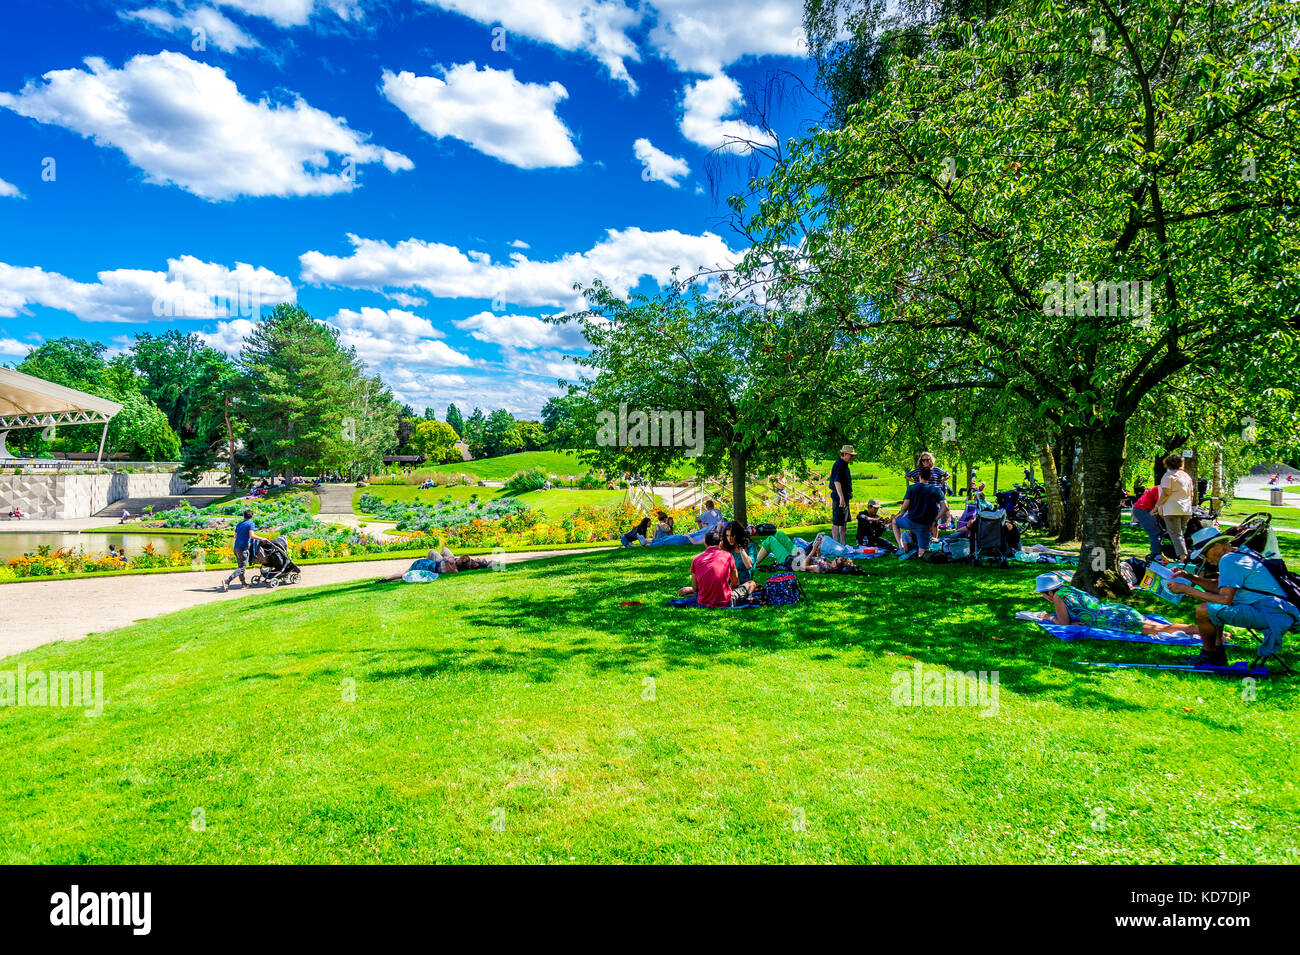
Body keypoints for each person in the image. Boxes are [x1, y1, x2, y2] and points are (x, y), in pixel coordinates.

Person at [1167, 530, 1300, 666]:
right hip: (1280, 609)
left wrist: (1186, 589)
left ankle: (1210, 655)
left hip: (1273, 613)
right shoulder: (1240, 553)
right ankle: (1217, 654)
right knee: (1211, 604)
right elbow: (1219, 586)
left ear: (1218, 546)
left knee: (1204, 610)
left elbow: (1225, 599)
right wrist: (1189, 577)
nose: (1205, 559)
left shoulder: (1228, 560)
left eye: (1203, 554)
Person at [1031, 573, 1195, 637]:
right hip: (1117, 610)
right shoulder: (1067, 589)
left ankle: (1201, 630)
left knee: (1163, 629)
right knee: (1162, 626)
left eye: (1043, 594)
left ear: (1048, 593)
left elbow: (1063, 623)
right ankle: (1211, 632)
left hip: (1114, 619)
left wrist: (1048, 617)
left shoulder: (1058, 597)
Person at [678, 528, 757, 607]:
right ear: (721, 543)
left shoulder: (696, 559)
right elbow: (735, 583)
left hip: (703, 601)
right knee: (751, 583)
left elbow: (695, 588)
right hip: (726, 601)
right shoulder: (728, 556)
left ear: (705, 544)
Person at [893, 466, 945, 560]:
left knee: (894, 521)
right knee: (923, 554)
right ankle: (919, 552)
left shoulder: (911, 488)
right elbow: (945, 508)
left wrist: (900, 513)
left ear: (919, 475)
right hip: (925, 526)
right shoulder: (936, 490)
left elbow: (905, 505)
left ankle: (900, 547)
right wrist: (935, 520)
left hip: (910, 522)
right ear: (930, 477)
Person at [376, 546, 499, 582]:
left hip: (425, 563)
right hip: (430, 567)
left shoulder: (451, 560)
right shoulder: (455, 570)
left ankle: (386, 578)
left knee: (405, 571)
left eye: (477, 560)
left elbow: (447, 553)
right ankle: (387, 579)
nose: (476, 559)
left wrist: (451, 558)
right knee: (405, 572)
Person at [221, 509, 272, 592]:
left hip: (236, 547)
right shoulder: (250, 524)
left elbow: (235, 536)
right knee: (242, 567)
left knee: (240, 566)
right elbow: (252, 535)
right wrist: (262, 538)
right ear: (252, 516)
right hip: (243, 548)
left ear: (244, 516)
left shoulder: (239, 524)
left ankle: (243, 583)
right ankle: (227, 581)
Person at [1155, 454, 1194, 558]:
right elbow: (1191, 494)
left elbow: (1166, 493)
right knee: (1181, 535)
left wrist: (1157, 506)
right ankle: (1184, 556)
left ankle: (1183, 558)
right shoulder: (1187, 476)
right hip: (1186, 509)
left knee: (1176, 535)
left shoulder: (1168, 476)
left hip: (1172, 509)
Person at [829, 444, 856, 544]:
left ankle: (843, 544)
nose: (852, 457)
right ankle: (836, 544)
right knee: (837, 522)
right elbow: (837, 482)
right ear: (844, 454)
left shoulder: (844, 464)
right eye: (851, 455)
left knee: (843, 522)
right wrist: (841, 498)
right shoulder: (838, 465)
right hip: (838, 497)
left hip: (844, 497)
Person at [719, 520, 759, 586]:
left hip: (745, 584)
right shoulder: (727, 548)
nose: (729, 539)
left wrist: (740, 547)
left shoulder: (751, 546)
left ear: (738, 535)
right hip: (728, 584)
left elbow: (749, 565)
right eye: (727, 535)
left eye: (732, 535)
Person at [1130, 484, 1163, 560]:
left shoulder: (1164, 488)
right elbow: (1160, 506)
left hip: (1146, 508)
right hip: (1142, 509)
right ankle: (1156, 555)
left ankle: (1158, 552)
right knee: (1155, 532)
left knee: (1160, 530)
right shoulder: (1161, 490)